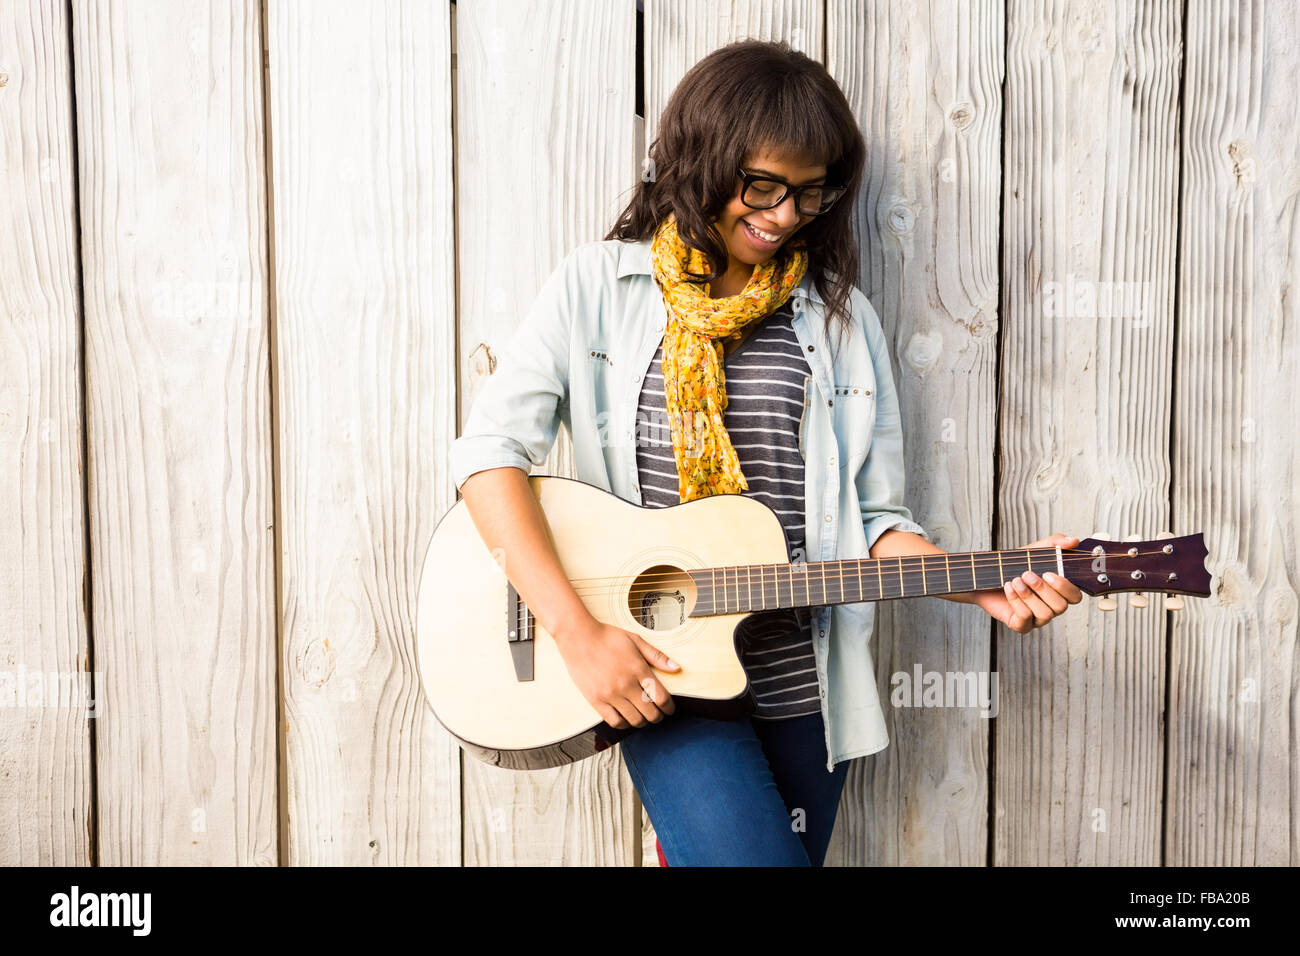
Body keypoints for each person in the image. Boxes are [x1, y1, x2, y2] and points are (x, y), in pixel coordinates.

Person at [449, 39, 1082, 866]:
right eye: (762, 185)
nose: (785, 216)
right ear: (702, 158)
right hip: (662, 677)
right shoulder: (596, 288)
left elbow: (874, 521)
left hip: (806, 688)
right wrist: (576, 633)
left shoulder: (839, 322)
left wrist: (982, 583)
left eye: (809, 193)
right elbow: (489, 458)